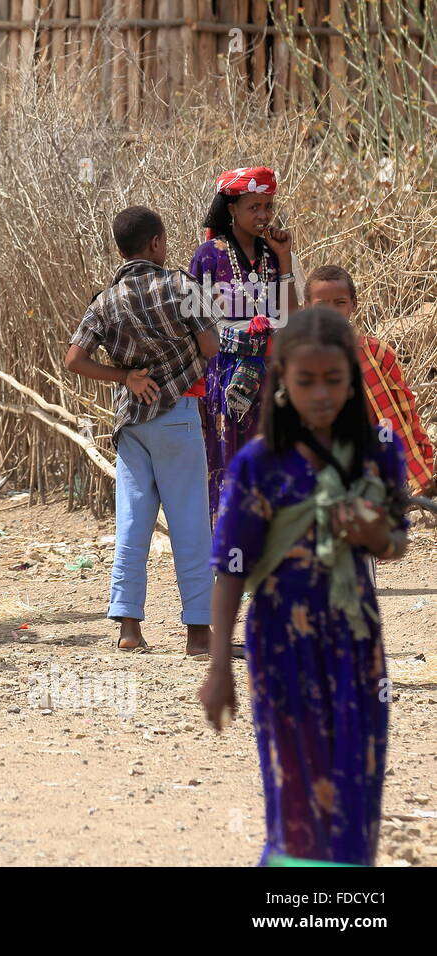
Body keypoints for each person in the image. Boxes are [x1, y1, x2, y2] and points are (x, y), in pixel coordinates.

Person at [199, 306, 408, 866]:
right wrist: (220, 665)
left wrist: (373, 532)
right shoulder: (258, 464)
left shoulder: (379, 449)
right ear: (283, 381)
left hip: (356, 640)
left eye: (334, 381)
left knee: (358, 775)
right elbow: (231, 568)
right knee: (294, 779)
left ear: (352, 380)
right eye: (306, 381)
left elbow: (396, 543)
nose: (321, 394)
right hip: (280, 646)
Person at [65, 206, 219, 655]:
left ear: (120, 249)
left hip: (132, 422)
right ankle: (198, 634)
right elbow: (210, 344)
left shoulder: (105, 300)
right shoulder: (180, 286)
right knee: (190, 524)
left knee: (132, 526)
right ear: (156, 244)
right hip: (179, 415)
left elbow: (74, 359)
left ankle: (129, 630)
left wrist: (126, 377)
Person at [189, 167, 299, 520]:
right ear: (232, 208)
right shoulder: (208, 255)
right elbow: (193, 322)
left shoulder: (276, 253)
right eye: (254, 207)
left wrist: (283, 259)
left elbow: (291, 317)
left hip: (272, 378)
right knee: (228, 463)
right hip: (224, 379)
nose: (264, 215)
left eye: (268, 206)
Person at [305, 264, 435, 497]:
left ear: (354, 305)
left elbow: (407, 413)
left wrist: (423, 469)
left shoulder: (377, 354)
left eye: (340, 303)